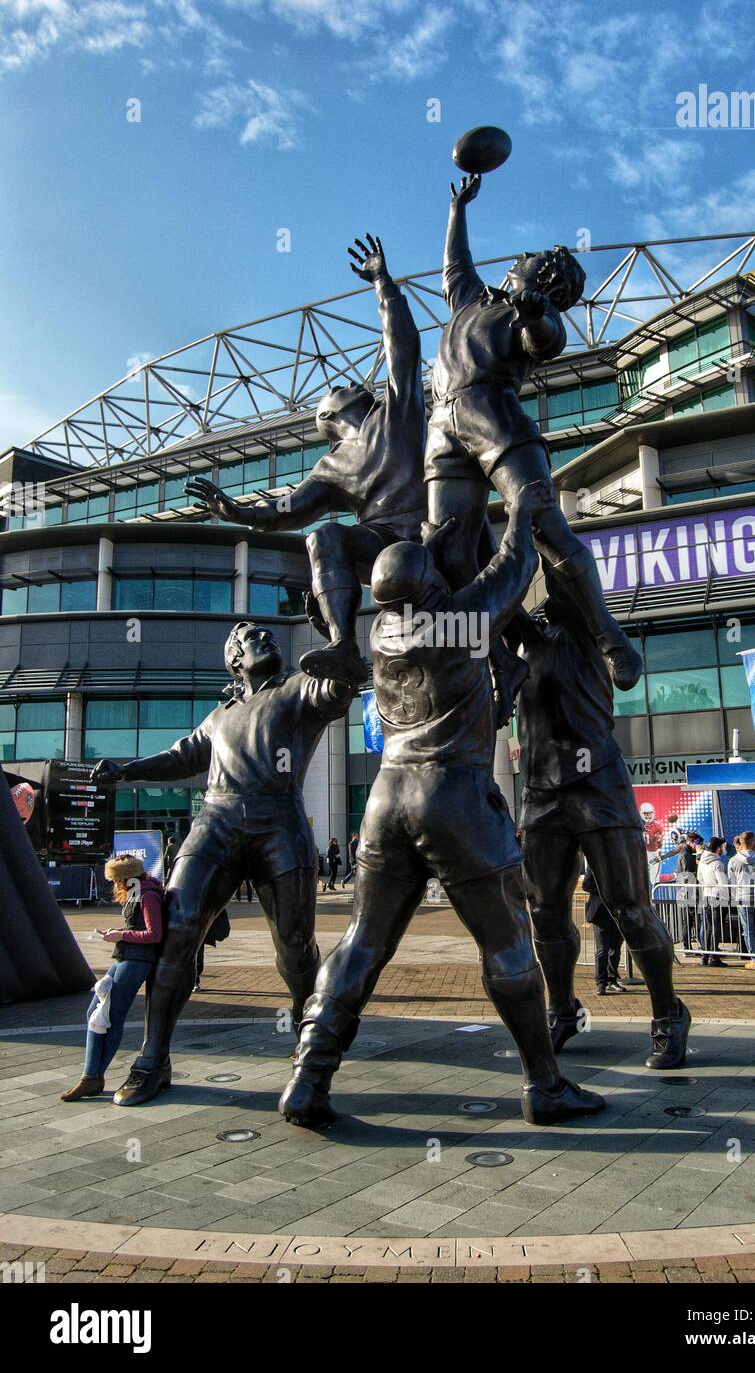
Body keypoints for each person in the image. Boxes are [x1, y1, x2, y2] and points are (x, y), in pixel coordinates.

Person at [281, 480, 605, 1128]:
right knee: (508, 945)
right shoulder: (455, 620)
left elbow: (437, 577)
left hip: (385, 803)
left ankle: (309, 1076)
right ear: (429, 583)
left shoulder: (382, 636)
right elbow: (511, 569)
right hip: (452, 798)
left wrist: (434, 541)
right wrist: (521, 509)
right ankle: (544, 1084)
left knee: (360, 943)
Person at [92, 622, 356, 1105]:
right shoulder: (219, 717)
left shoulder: (298, 690)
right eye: (253, 636)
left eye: (269, 634)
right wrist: (125, 770)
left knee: (295, 946)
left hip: (280, 820)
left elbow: (340, 686)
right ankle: (153, 1057)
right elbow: (178, 758)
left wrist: (337, 636)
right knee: (179, 925)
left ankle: (308, 1036)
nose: (267, 638)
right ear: (234, 659)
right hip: (216, 820)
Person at [422, 173, 642, 708]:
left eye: (529, 259)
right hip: (442, 428)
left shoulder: (537, 315)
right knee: (450, 548)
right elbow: (455, 264)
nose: (516, 260)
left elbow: (542, 342)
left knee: (543, 522)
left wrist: (536, 313)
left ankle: (610, 637)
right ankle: (507, 653)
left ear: (541, 277)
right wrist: (458, 208)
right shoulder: (473, 299)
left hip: (495, 416)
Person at [187, 234, 425, 688]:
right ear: (329, 416)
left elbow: (403, 346)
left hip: (430, 527)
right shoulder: (330, 467)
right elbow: (287, 510)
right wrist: (234, 511)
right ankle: (344, 646)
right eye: (339, 387)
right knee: (324, 536)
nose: (350, 382)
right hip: (381, 543)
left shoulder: (397, 414)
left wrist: (382, 283)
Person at [510, 561, 690, 1065]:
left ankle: (668, 1015)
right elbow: (493, 581)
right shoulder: (528, 641)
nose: (544, 603)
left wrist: (530, 512)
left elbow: (563, 564)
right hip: (542, 791)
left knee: (629, 909)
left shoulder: (593, 632)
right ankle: (562, 1010)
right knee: (544, 912)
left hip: (599, 786)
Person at [60, 855, 164, 1101]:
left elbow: (154, 934)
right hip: (126, 958)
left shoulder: (147, 894)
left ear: (125, 878)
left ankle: (92, 1077)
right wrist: (119, 933)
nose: (114, 884)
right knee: (95, 1013)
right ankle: (91, 1075)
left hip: (136, 960)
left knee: (110, 1017)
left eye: (116, 879)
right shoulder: (141, 889)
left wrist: (121, 935)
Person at [727, 831, 755, 968]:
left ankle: (754, 958)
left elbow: (731, 882)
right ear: (753, 842)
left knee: (748, 929)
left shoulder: (733, 861)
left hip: (742, 898)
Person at [583, 870, 626, 996]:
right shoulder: (594, 865)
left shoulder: (620, 864)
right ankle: (601, 982)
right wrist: (605, 889)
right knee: (602, 950)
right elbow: (586, 885)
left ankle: (613, 980)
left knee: (615, 949)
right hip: (600, 914)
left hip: (617, 915)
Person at [697, 837, 728, 966]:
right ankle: (714, 957)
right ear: (718, 849)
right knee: (716, 927)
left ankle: (705, 956)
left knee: (709, 927)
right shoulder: (717, 863)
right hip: (717, 897)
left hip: (706, 895)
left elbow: (699, 878)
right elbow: (723, 883)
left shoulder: (702, 861)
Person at [194, 906, 231, 991]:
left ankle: (195, 980)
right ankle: (193, 980)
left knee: (198, 953)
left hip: (199, 925)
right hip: (187, 924)